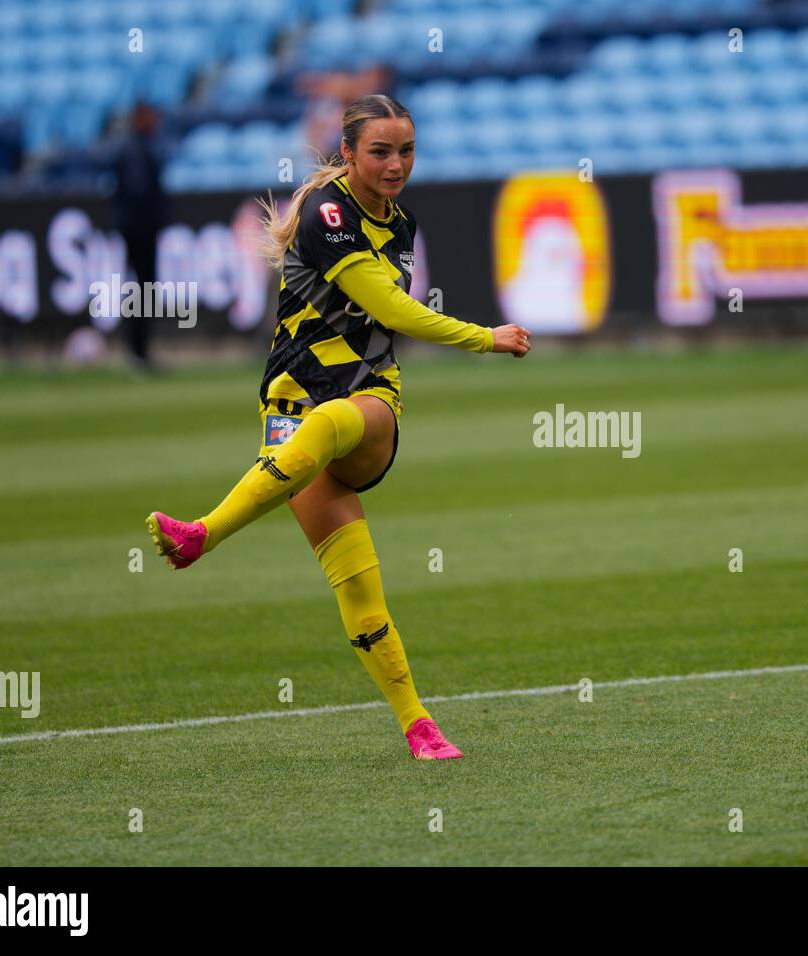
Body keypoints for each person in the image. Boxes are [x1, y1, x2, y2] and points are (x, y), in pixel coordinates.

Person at [145, 94, 532, 760]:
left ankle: (202, 534)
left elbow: (388, 318)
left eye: (406, 150)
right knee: (356, 583)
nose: (396, 164)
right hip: (288, 409)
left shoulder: (400, 224)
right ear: (347, 153)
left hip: (368, 403)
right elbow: (392, 306)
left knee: (328, 423)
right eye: (380, 151)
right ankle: (419, 726)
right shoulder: (329, 217)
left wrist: (478, 340)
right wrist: (485, 337)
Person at [111, 102, 167, 370]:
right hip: (140, 232)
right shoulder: (137, 151)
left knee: (141, 290)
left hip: (137, 231)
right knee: (142, 290)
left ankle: (140, 351)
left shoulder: (137, 148)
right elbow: (138, 193)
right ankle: (138, 352)